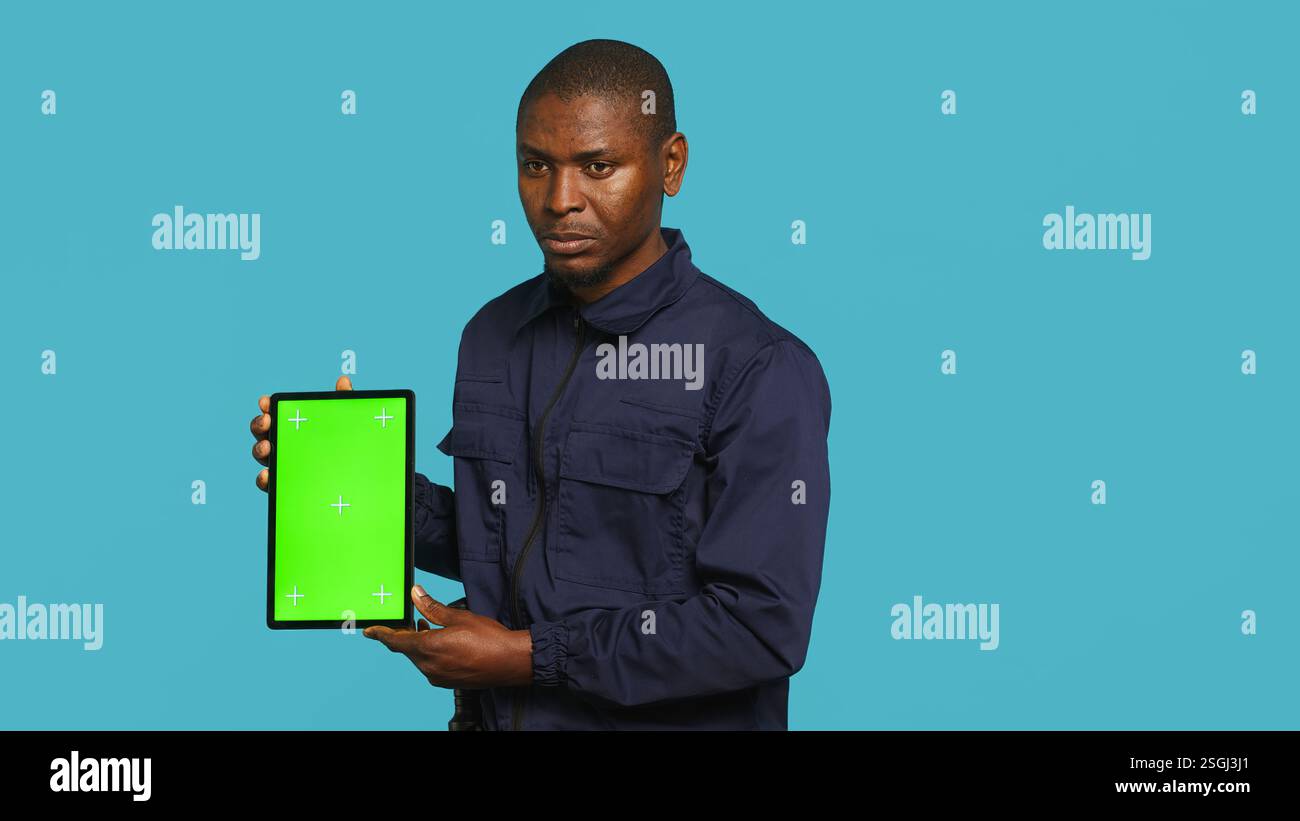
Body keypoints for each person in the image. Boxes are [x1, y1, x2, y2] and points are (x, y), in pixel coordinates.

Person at [249, 39, 832, 730]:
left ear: (670, 163)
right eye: (535, 166)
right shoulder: (492, 334)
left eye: (597, 166)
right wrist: (356, 485)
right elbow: (506, 541)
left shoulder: (757, 365)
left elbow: (759, 629)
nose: (560, 200)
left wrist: (529, 656)